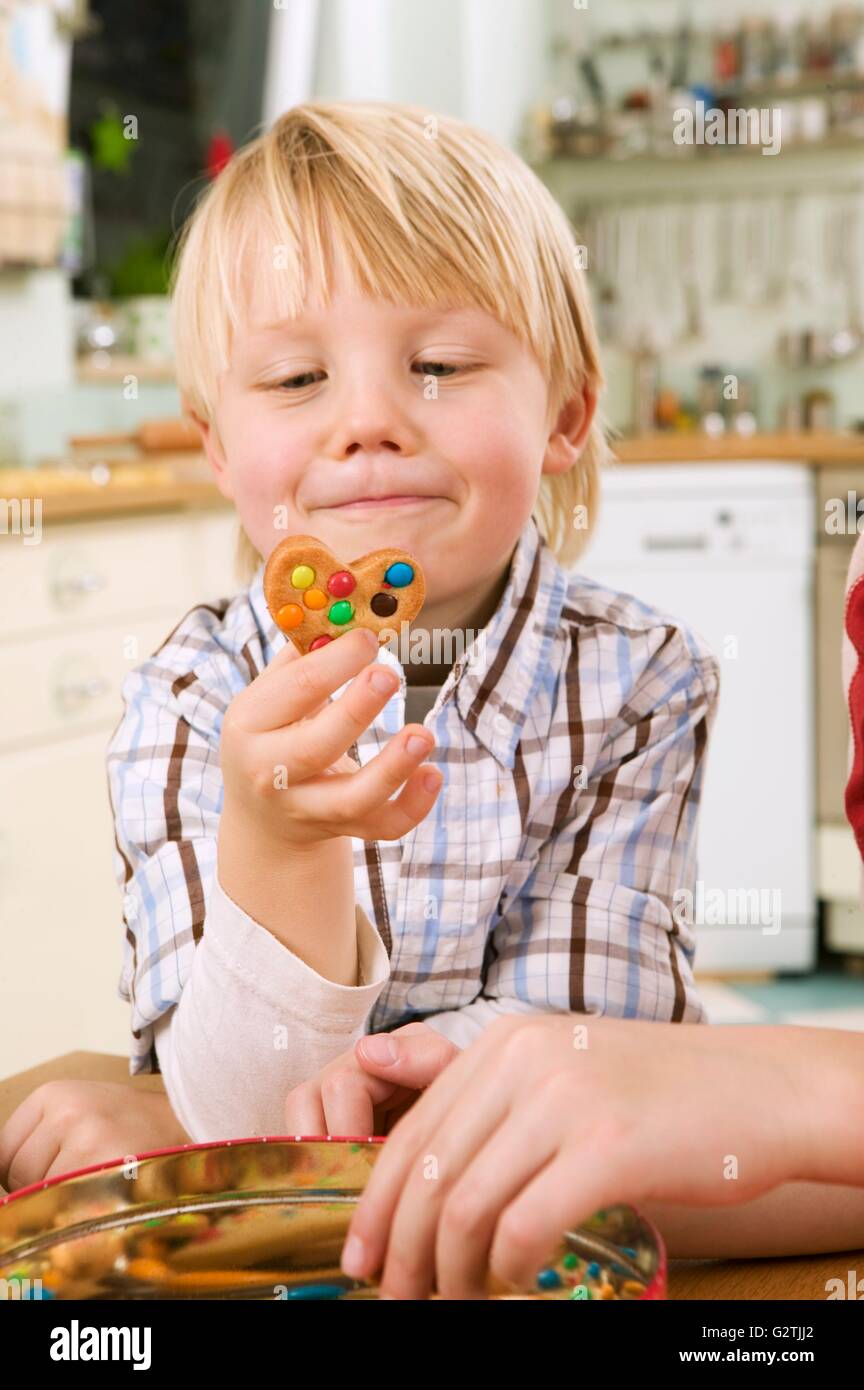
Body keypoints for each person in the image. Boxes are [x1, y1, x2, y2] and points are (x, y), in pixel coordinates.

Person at [0, 99, 719, 1181]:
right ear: (220, 449)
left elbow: (590, 1071)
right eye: (297, 380)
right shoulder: (190, 696)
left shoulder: (640, 684)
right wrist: (277, 838)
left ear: (565, 415)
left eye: (440, 362)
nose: (369, 419)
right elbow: (234, 1103)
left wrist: (279, 1123)